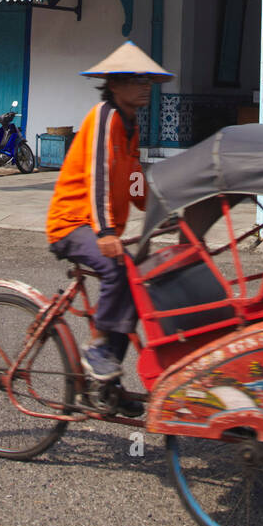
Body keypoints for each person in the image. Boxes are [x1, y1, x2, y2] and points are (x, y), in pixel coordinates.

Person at [46, 41, 172, 404]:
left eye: (148, 80)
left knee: (136, 282)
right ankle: (99, 348)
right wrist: (103, 232)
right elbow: (98, 174)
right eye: (136, 80)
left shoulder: (131, 125)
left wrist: (162, 213)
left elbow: (134, 180)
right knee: (118, 268)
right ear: (114, 86)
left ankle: (107, 385)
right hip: (71, 223)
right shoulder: (105, 115)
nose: (145, 87)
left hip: (98, 227)